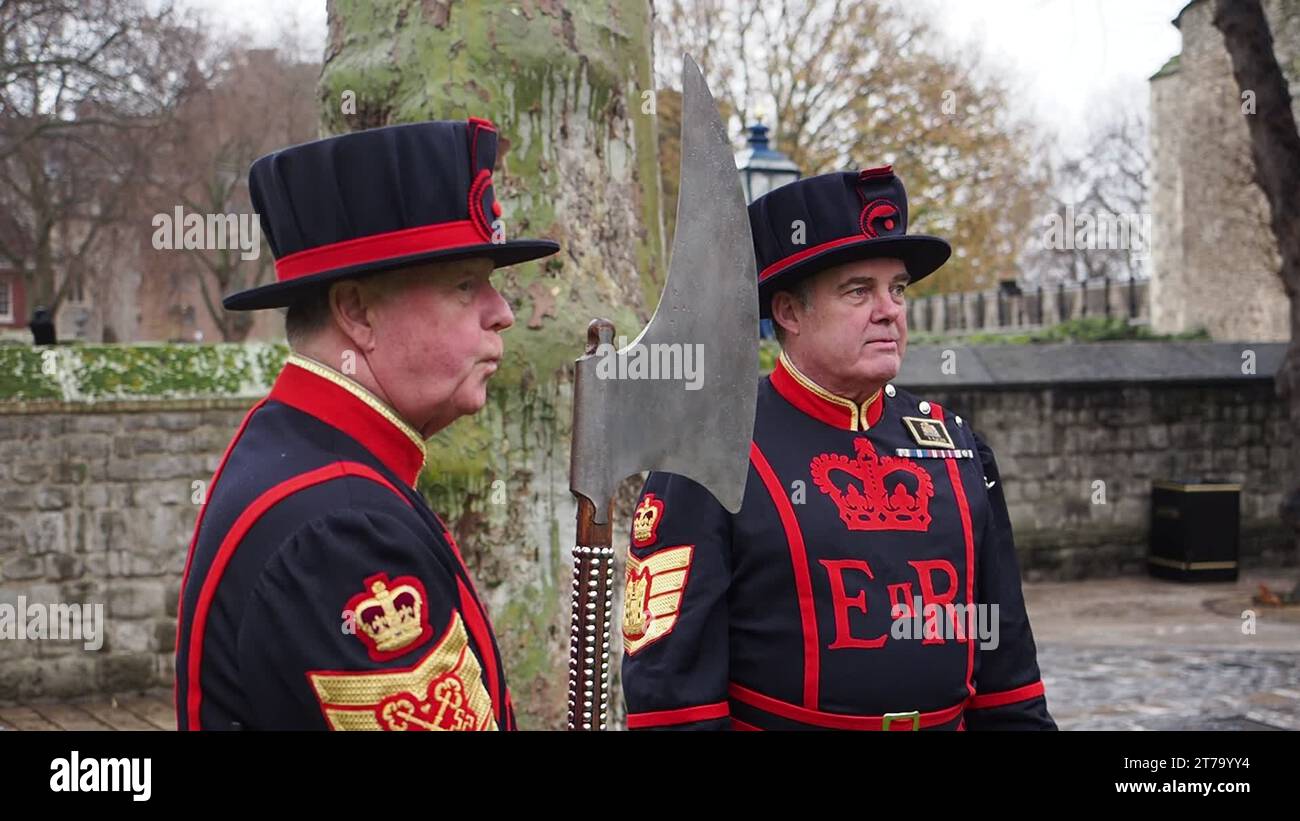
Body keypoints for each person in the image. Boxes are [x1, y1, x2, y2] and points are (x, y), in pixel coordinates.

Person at [620, 166, 1056, 730]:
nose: (890, 310)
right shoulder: (709, 453)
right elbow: (675, 702)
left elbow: (1008, 675)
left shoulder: (957, 446)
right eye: (859, 290)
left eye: (897, 288)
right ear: (789, 312)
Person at [174, 118, 558, 730]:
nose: (503, 312)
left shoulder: (310, 452)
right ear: (356, 312)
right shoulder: (340, 529)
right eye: (466, 284)